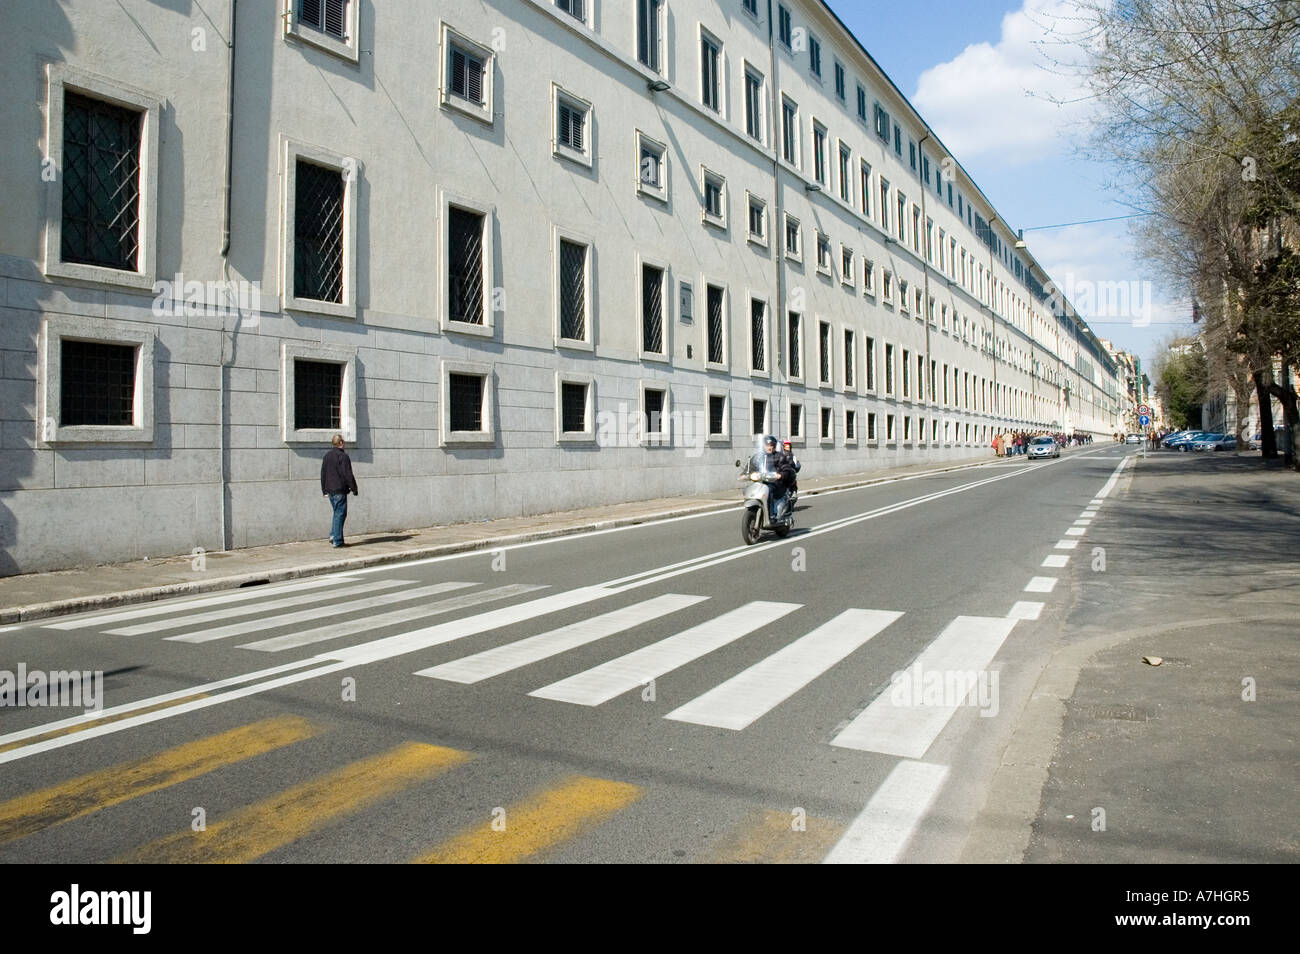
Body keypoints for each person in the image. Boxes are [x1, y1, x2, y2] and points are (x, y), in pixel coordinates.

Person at [321, 434, 359, 547]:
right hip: (339, 490)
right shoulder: (343, 457)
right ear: (341, 443)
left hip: (330, 490)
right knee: (340, 514)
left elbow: (323, 473)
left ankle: (333, 535)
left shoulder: (327, 456)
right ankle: (338, 541)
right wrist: (354, 488)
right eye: (343, 441)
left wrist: (324, 490)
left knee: (337, 513)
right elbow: (348, 474)